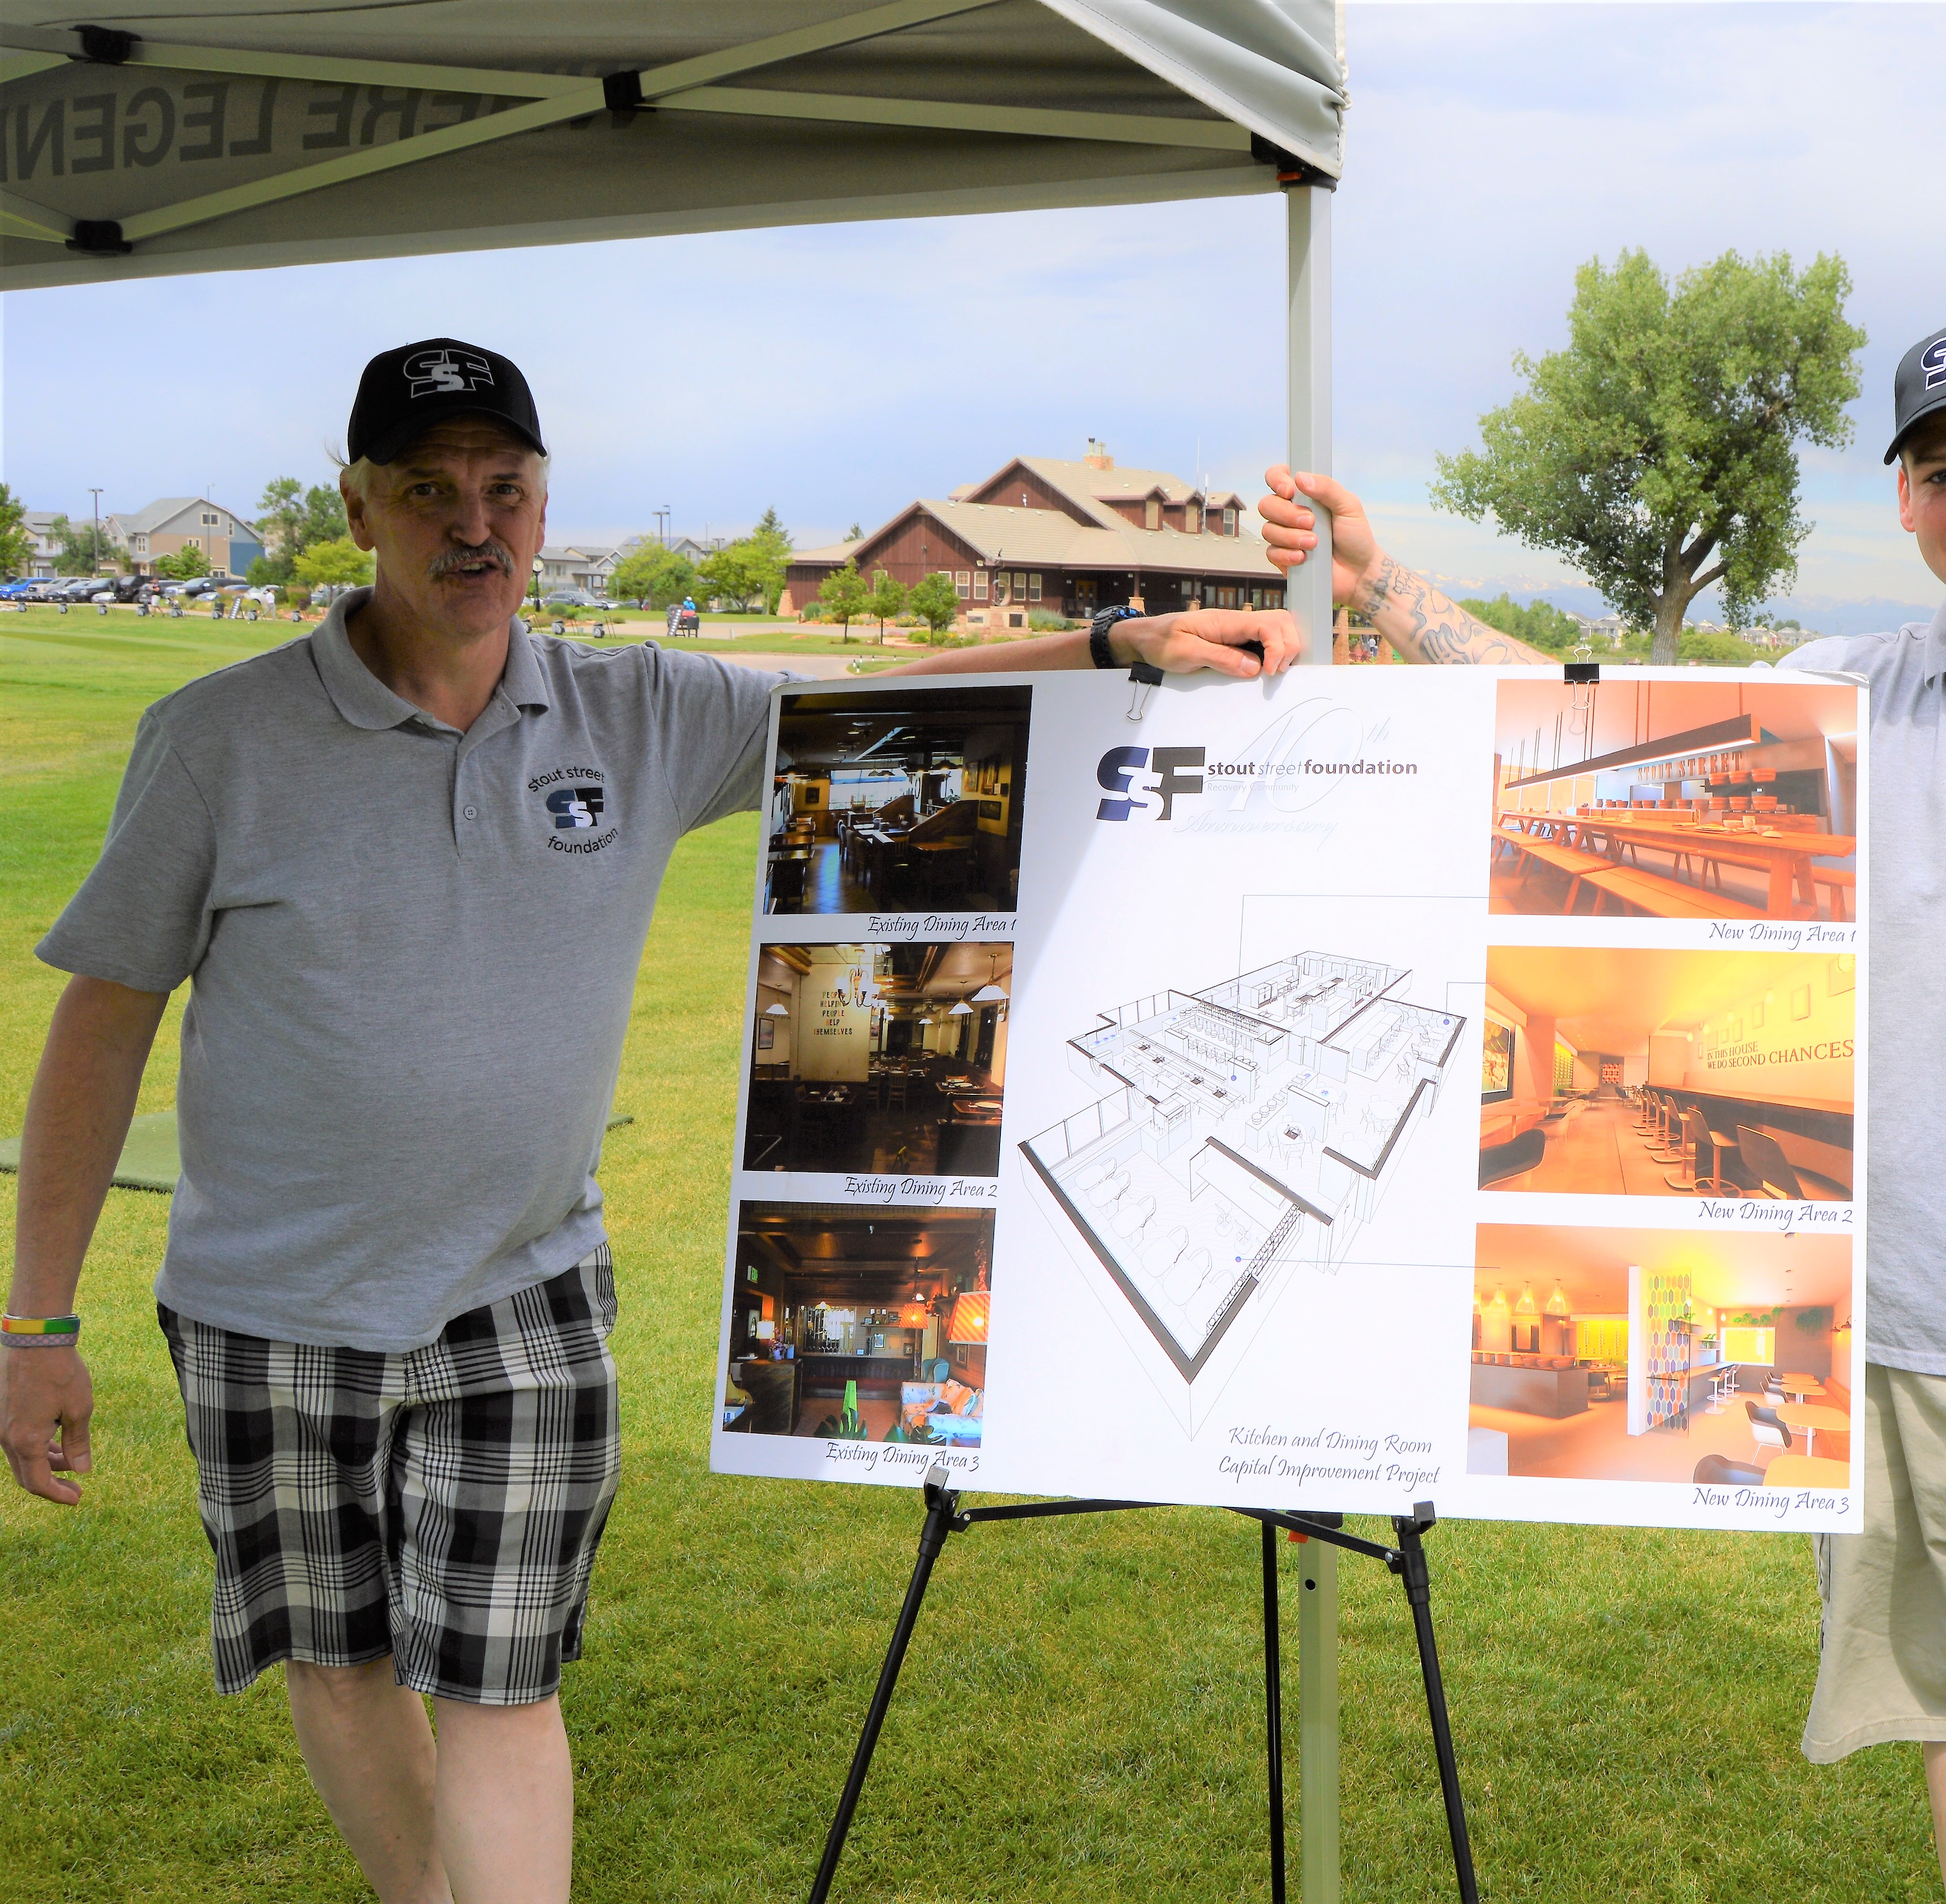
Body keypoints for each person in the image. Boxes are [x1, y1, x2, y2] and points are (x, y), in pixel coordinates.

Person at [2, 335, 1302, 1904]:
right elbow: (103, 1019)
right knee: (336, 1659)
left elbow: (868, 697)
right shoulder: (215, 744)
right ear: (358, 507)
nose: (471, 523)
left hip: (524, 1287)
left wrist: (1114, 646)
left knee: (503, 1681)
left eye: (506, 488)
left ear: (545, 511)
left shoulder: (638, 714)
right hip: (270, 1303)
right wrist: (33, 1323)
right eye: (428, 490)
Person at [1261, 317, 1946, 1904]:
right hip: (1897, 1358)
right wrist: (1379, 581)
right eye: (1945, 475)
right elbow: (1585, 716)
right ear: (1908, 509)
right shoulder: (1841, 697)